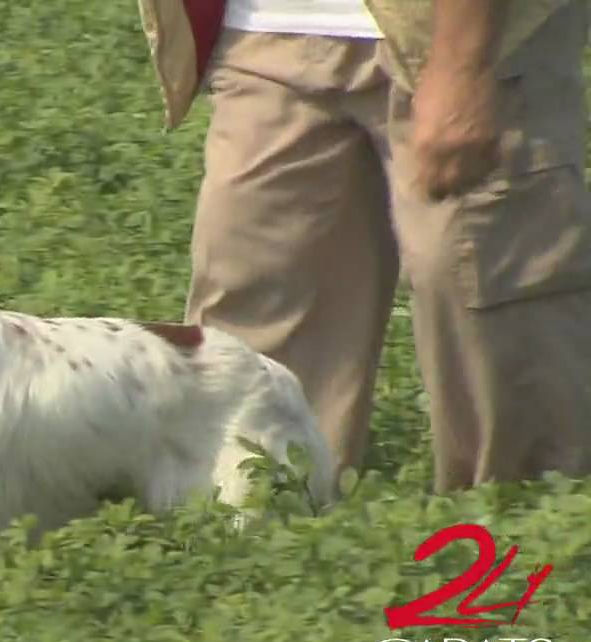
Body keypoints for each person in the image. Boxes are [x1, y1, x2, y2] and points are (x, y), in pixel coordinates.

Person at [137, 0, 591, 492]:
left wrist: (463, 66)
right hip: (266, 30)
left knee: (487, 308)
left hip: (463, 32)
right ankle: (267, 548)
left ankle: (522, 542)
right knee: (252, 334)